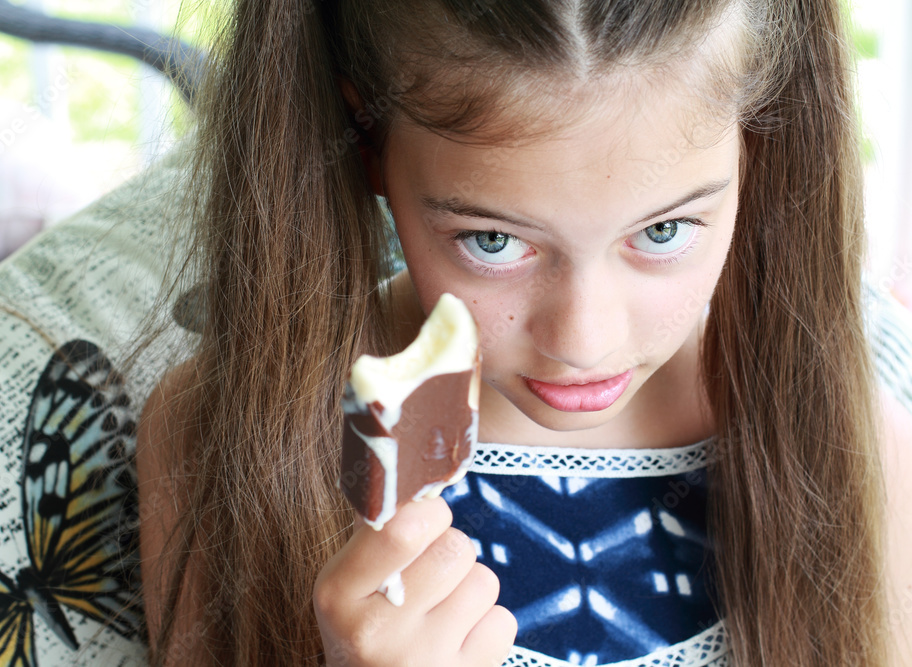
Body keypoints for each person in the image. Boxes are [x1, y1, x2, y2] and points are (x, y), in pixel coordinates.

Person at [135, 0, 912, 665]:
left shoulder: (858, 453)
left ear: (758, 146)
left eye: (667, 229)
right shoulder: (222, 435)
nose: (583, 340)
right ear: (365, 141)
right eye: (494, 242)